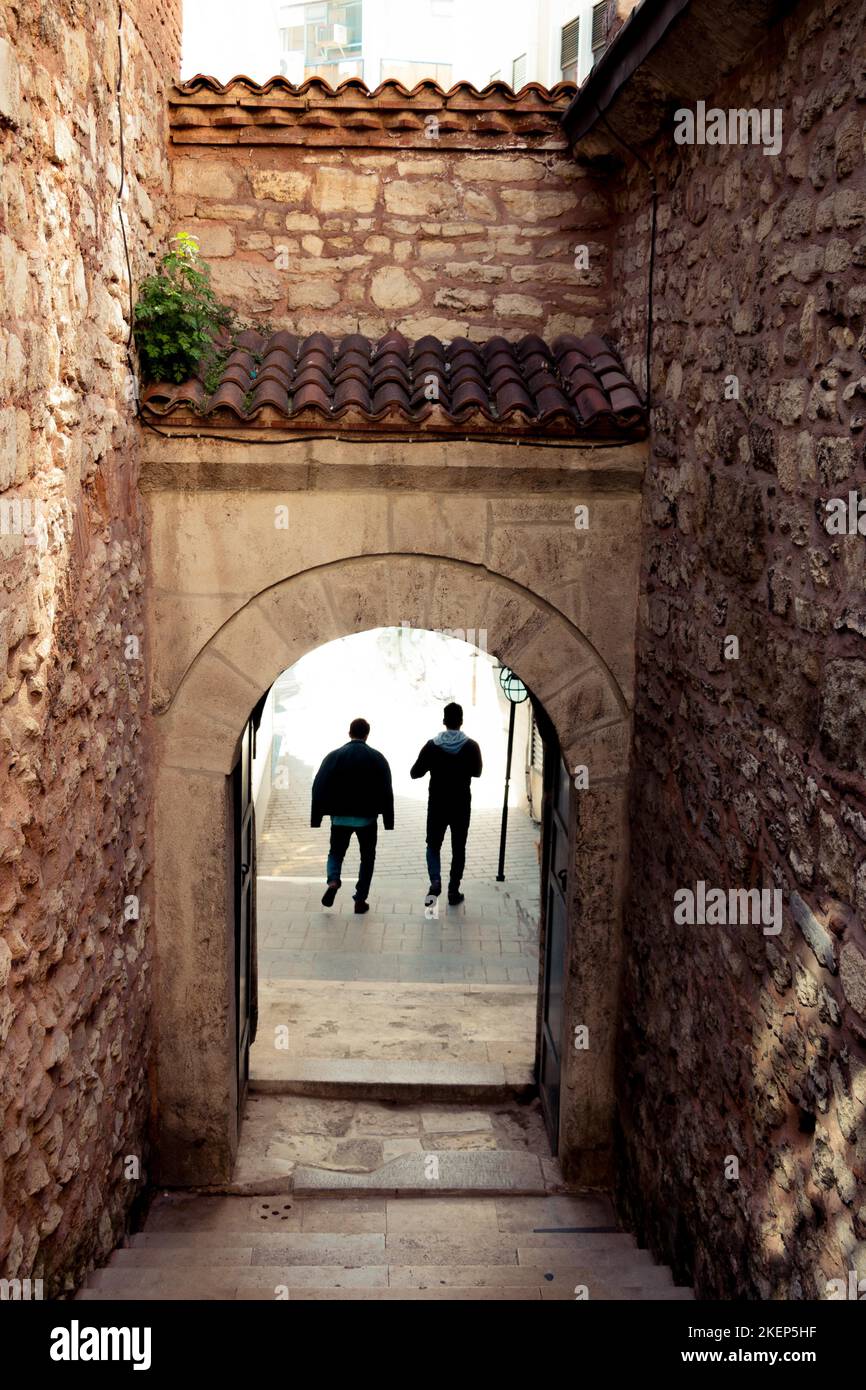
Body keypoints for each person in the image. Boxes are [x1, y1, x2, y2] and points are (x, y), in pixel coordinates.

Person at [311, 718, 394, 914]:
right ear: (367, 734)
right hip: (367, 820)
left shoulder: (334, 756)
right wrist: (388, 821)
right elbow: (387, 790)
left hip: (339, 818)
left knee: (336, 853)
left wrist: (317, 818)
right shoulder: (377, 758)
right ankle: (360, 900)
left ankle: (333, 881)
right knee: (367, 858)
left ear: (349, 733)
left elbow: (318, 786)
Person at [410, 702, 482, 908]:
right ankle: (453, 890)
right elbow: (477, 772)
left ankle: (435, 882)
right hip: (461, 805)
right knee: (458, 848)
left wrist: (433, 765)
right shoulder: (471, 746)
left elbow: (414, 773)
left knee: (433, 845)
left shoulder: (432, 745)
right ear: (461, 721)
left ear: (444, 721)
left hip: (437, 805)